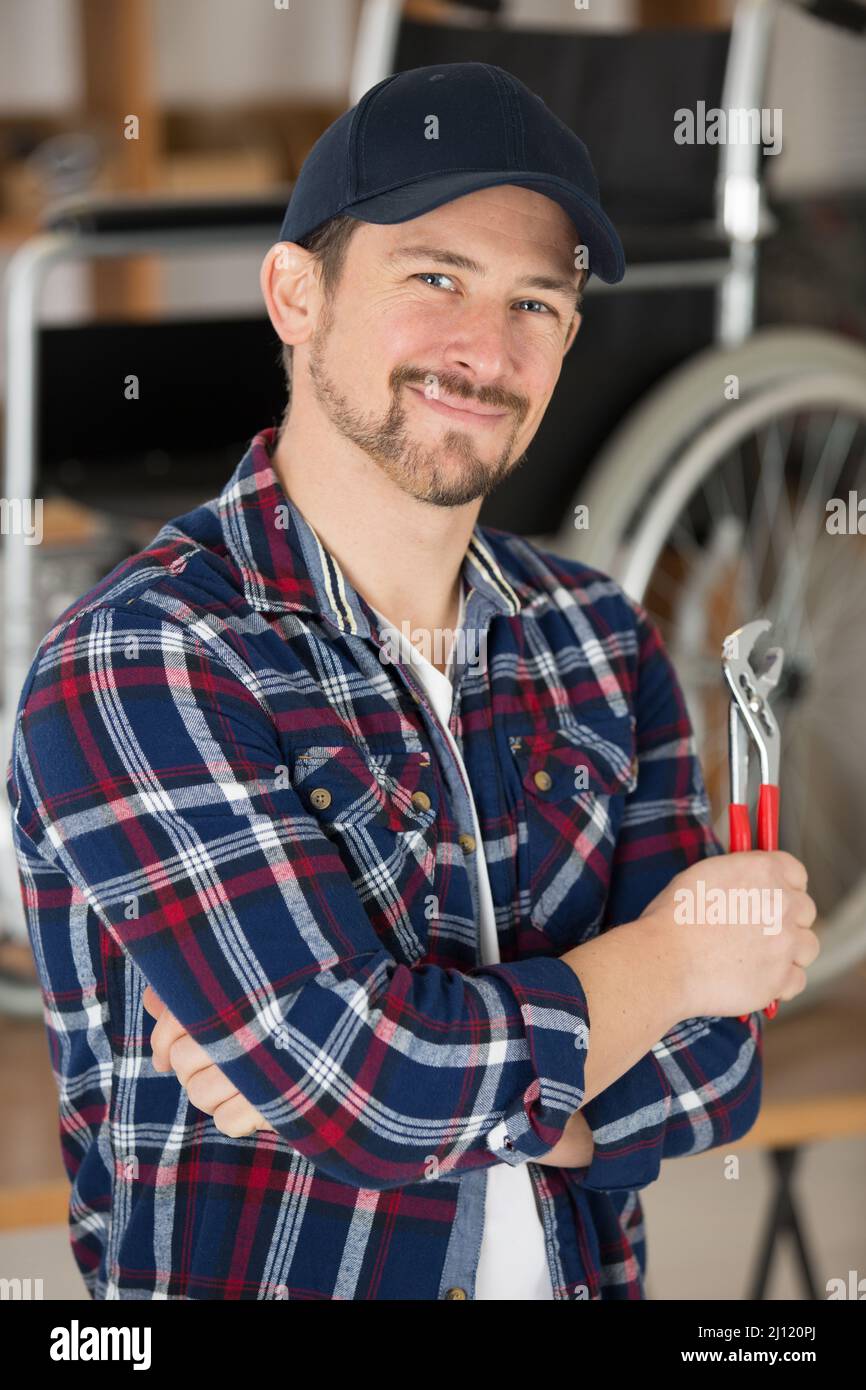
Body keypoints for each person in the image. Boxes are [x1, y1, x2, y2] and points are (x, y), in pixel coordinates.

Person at [6, 62, 819, 1301]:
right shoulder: (144, 657)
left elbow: (713, 1076)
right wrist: (673, 961)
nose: (484, 349)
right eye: (433, 278)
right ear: (296, 294)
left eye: (534, 303)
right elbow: (363, 1085)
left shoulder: (600, 639)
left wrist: (393, 1083)